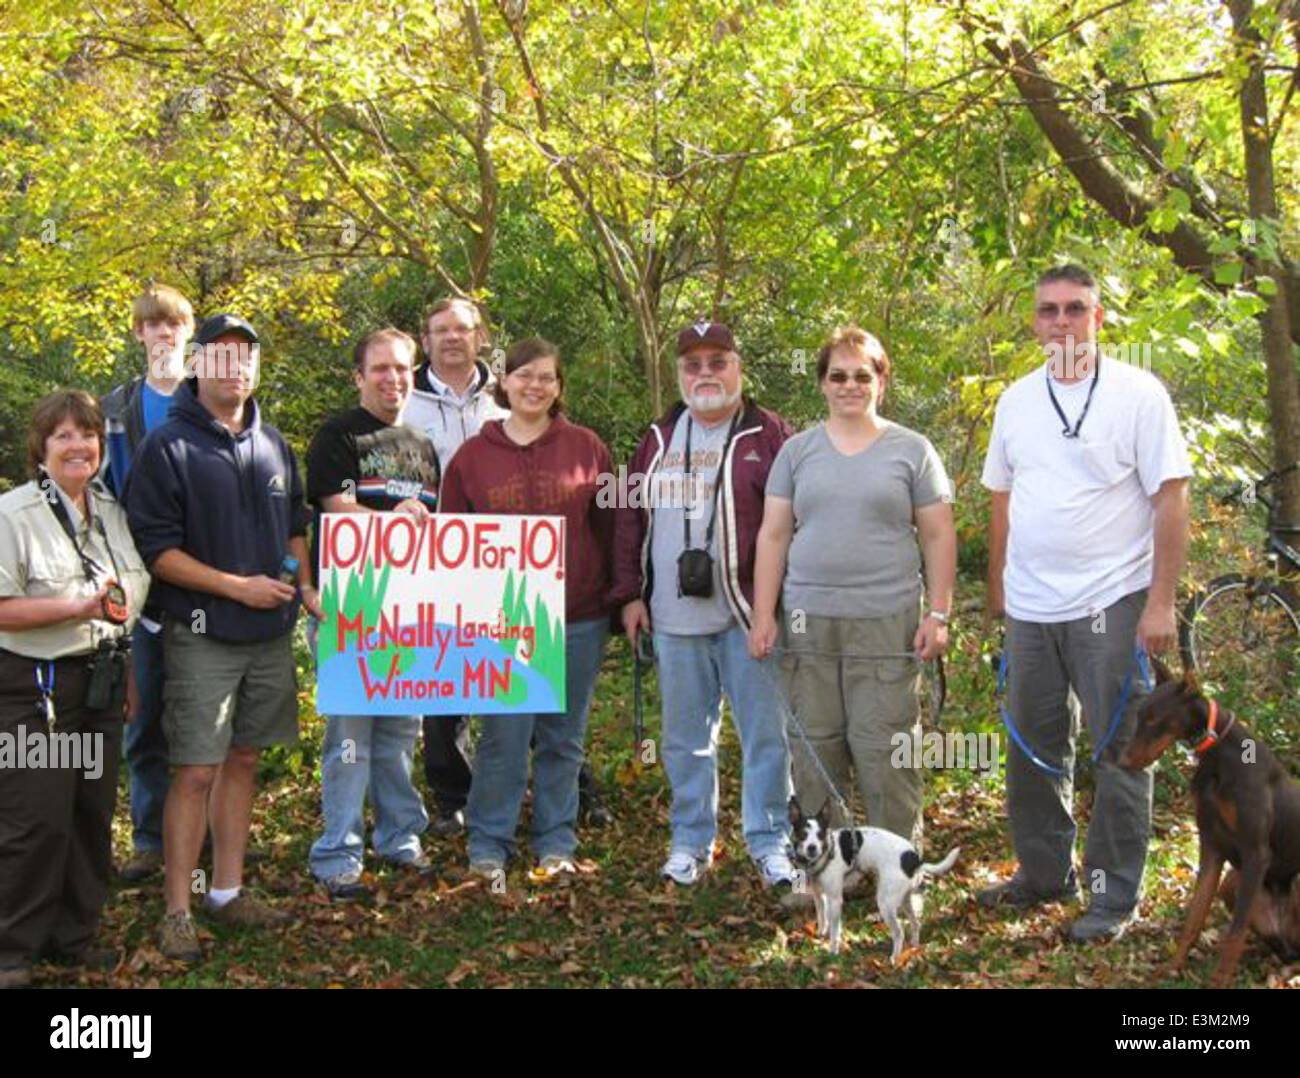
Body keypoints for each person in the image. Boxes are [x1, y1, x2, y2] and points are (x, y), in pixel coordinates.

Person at [978, 264, 1191, 942]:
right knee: (1033, 745)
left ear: (1099, 319)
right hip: (1032, 608)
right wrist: (999, 589)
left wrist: (1161, 605)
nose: (1062, 321)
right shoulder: (1015, 400)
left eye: (1076, 309)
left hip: (1115, 601)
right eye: (1049, 311)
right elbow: (1003, 500)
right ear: (1035, 322)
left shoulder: (1139, 394)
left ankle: (1111, 896)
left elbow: (1172, 498)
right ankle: (1043, 874)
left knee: (1121, 747)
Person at [125, 314, 319, 962]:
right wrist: (237, 586)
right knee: (195, 770)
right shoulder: (167, 446)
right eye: (222, 356)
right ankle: (178, 909)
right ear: (198, 363)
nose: (235, 367)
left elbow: (296, 523)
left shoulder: (275, 444)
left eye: (247, 357)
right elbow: (157, 552)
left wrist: (296, 579)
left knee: (242, 761)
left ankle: (227, 892)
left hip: (268, 634)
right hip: (202, 632)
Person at [749, 326, 956, 851]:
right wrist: (762, 615)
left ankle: (896, 864)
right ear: (822, 383)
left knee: (884, 748)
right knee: (815, 747)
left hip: (887, 621)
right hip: (807, 622)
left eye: (862, 375)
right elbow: (773, 534)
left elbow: (938, 533)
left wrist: (941, 613)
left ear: (881, 382)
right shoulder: (797, 452)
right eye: (837, 375)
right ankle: (831, 865)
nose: (849, 385)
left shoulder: (912, 450)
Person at [612, 320, 796, 888]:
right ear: (680, 374)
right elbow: (629, 519)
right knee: (685, 739)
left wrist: (778, 607)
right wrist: (629, 594)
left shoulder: (772, 436)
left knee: (766, 736)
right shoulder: (658, 438)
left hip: (749, 617)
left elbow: (796, 525)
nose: (706, 374)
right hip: (673, 617)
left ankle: (770, 842)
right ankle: (690, 841)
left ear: (739, 368)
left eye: (718, 362)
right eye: (693, 364)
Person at [439, 338, 612, 878]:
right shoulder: (473, 456)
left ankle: (556, 840)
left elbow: (611, 529)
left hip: (578, 615)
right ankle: (489, 842)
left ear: (559, 387)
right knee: (503, 738)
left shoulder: (588, 448)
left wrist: (619, 596)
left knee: (564, 738)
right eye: (524, 376)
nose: (535, 386)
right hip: (501, 621)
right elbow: (452, 539)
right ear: (505, 381)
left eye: (547, 378)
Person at [0, 391, 148, 989]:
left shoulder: (108, 510)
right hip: (34, 688)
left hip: (100, 682)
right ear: (41, 449)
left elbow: (127, 599)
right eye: (62, 436)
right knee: (37, 818)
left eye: (86, 435)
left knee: (89, 814)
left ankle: (73, 936)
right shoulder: (14, 514)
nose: (77, 446)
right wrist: (77, 606)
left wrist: (130, 674)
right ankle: (13, 949)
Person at [305, 328, 438, 901]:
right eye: (380, 369)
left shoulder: (422, 444)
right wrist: (396, 521)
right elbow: (338, 509)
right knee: (350, 735)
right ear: (359, 377)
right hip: (351, 612)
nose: (393, 379)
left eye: (403, 368)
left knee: (400, 732)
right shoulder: (337, 435)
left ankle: (400, 835)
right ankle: (338, 852)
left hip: (408, 614)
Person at [101, 283, 194, 883]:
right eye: (152, 325)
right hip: (138, 579)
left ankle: (210, 832)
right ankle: (151, 837)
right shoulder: (115, 408)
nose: (164, 333)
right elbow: (102, 494)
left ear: (188, 333)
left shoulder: (209, 397)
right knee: (143, 711)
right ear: (138, 334)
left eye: (174, 324)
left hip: (204, 577)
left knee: (208, 714)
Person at [404, 298, 507, 835]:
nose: (451, 338)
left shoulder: (506, 400)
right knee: (442, 679)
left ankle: (546, 784)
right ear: (426, 340)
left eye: (461, 329)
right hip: (426, 560)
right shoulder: (404, 401)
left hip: (501, 558)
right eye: (440, 330)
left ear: (480, 337)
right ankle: (451, 794)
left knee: (511, 666)